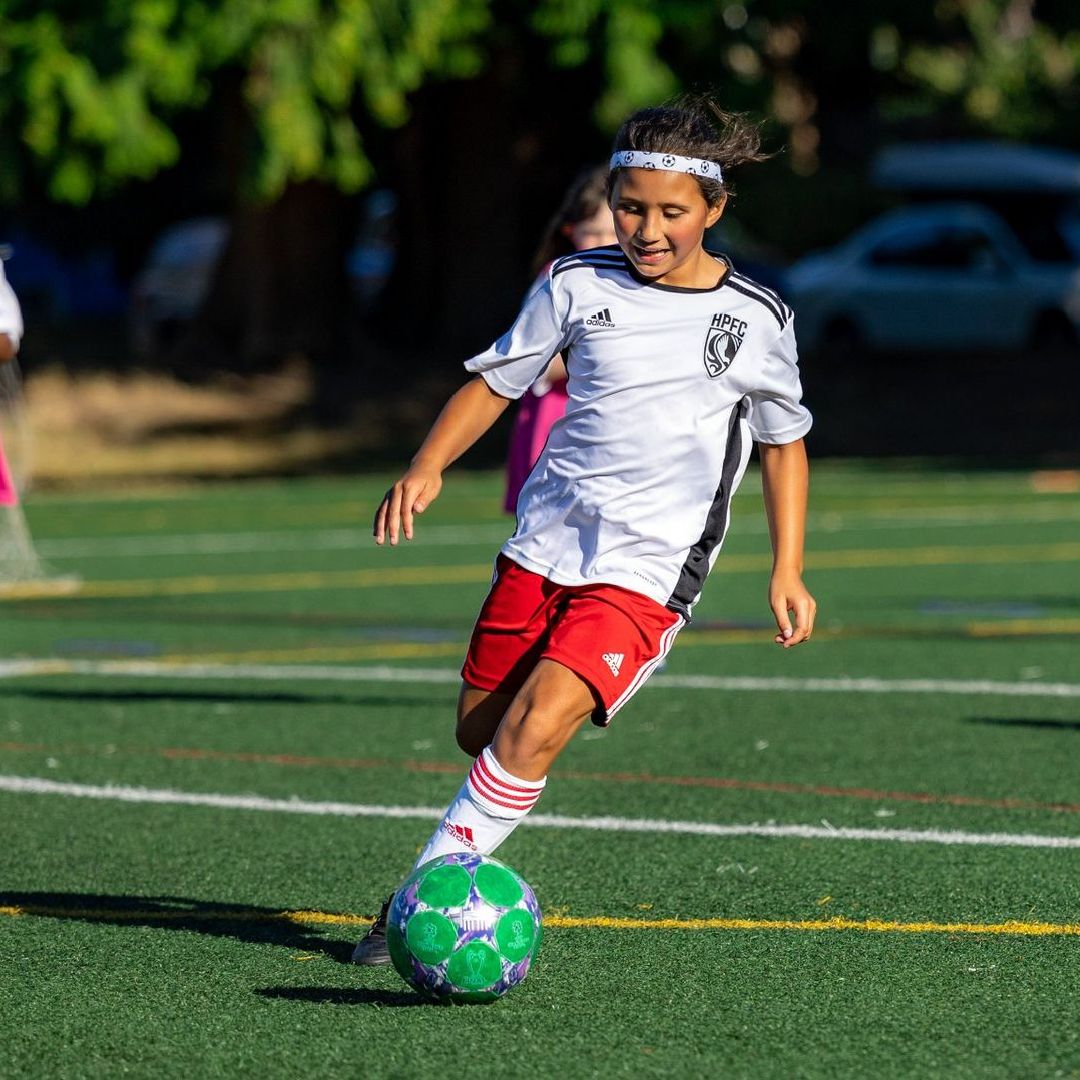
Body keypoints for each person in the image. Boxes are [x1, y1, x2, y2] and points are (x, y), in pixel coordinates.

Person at [354, 97, 816, 965]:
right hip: (546, 545)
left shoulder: (756, 318)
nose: (647, 228)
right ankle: (461, 845)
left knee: (533, 726)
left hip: (651, 568)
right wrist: (427, 464)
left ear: (714, 211)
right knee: (483, 731)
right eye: (632, 206)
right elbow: (495, 383)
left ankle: (419, 898)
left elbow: (785, 444)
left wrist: (787, 568)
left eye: (671, 212)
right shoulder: (574, 284)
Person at [503, 166, 616, 513]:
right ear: (571, 232)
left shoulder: (635, 282)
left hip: (611, 423)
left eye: (612, 232)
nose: (603, 243)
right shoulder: (557, 280)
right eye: (592, 233)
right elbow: (527, 363)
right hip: (557, 418)